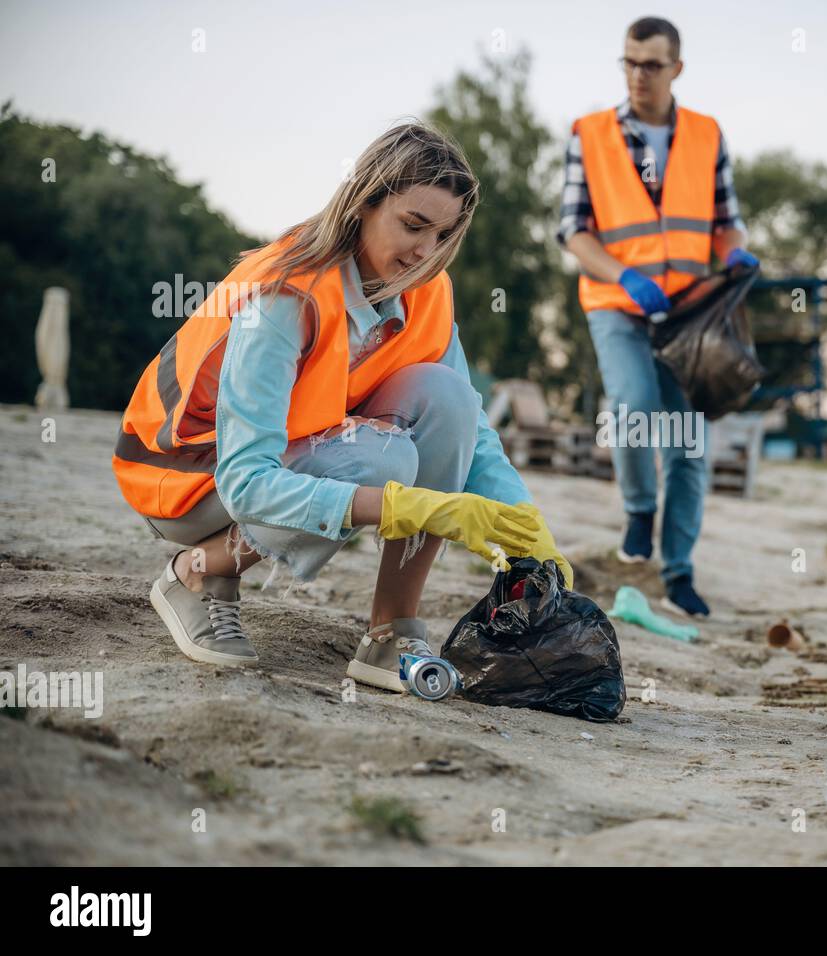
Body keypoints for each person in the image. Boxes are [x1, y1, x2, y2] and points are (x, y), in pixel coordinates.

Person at [112, 121, 571, 692]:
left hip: (295, 458)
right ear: (362, 202)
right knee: (381, 460)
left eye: (444, 235)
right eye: (413, 225)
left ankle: (391, 632)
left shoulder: (430, 290)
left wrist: (526, 526)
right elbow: (247, 484)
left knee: (447, 397)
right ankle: (197, 574)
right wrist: (409, 507)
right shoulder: (283, 296)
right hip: (185, 477)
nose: (426, 252)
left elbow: (468, 428)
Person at [557, 15, 757, 618]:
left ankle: (679, 572)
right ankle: (640, 508)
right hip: (620, 304)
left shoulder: (706, 134)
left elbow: (726, 223)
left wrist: (736, 254)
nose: (638, 75)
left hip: (691, 315)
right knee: (635, 407)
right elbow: (573, 230)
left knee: (689, 446)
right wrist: (624, 276)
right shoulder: (588, 134)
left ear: (677, 68)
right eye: (629, 62)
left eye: (651, 64)